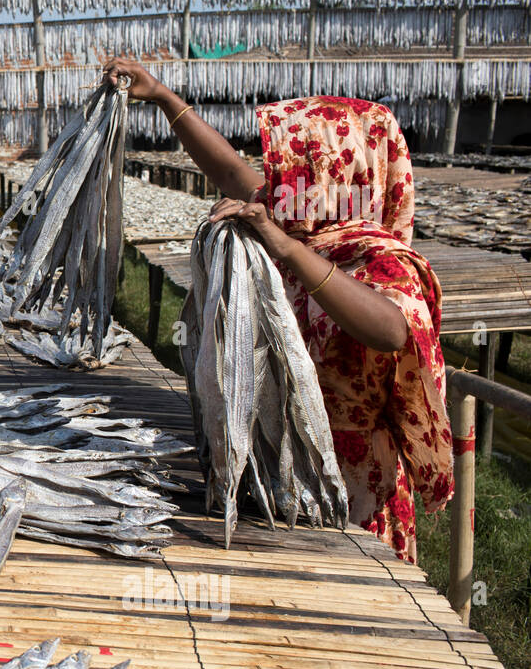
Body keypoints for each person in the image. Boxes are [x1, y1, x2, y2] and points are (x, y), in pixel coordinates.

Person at [103, 59, 453, 563]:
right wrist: (161, 96)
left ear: (338, 174)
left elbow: (393, 330)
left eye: (296, 166)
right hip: (276, 453)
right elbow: (227, 170)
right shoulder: (300, 221)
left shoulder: (381, 259)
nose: (277, 180)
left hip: (350, 481)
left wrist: (288, 253)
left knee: (342, 603)